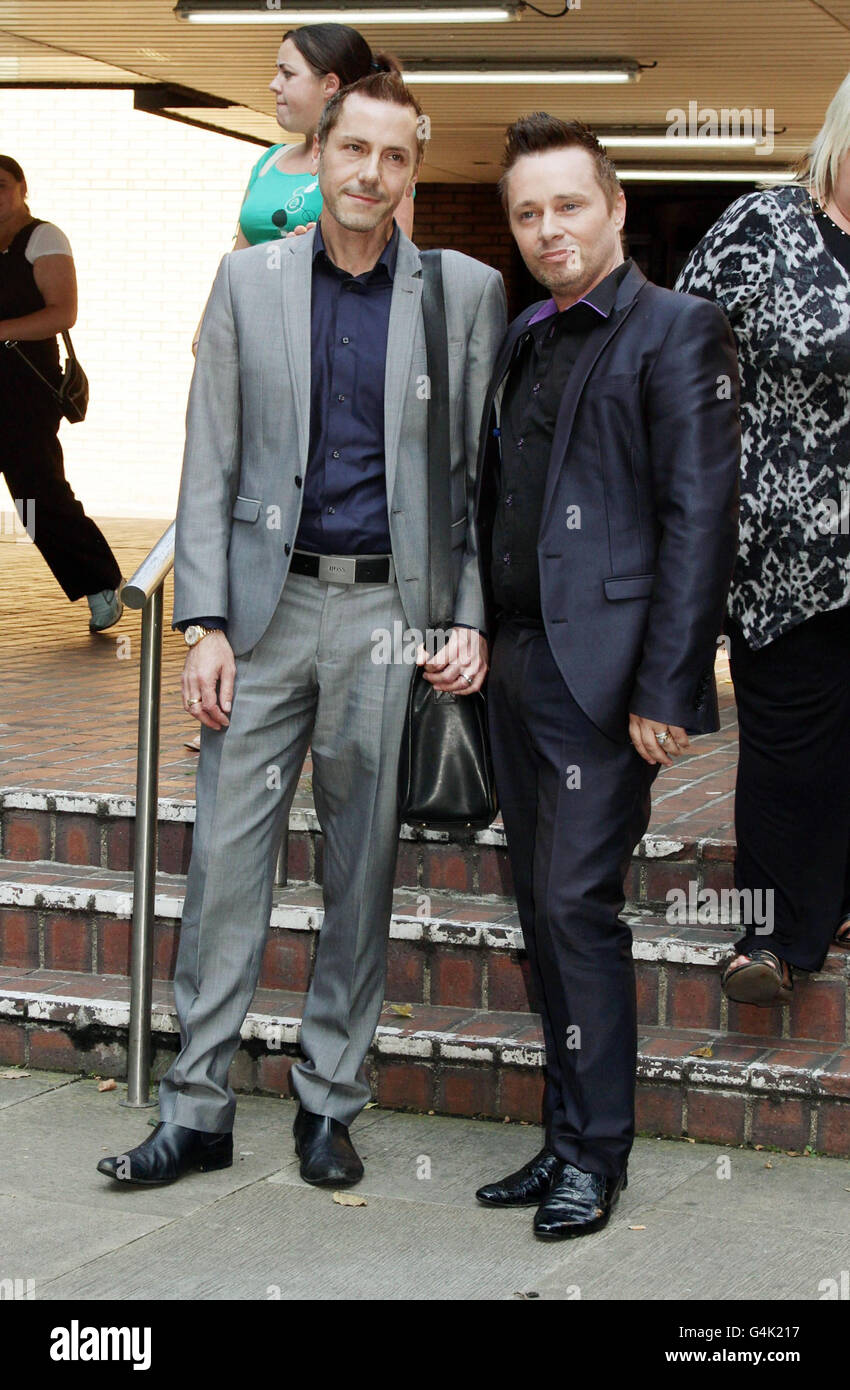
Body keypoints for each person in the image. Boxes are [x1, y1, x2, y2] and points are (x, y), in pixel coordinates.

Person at [97, 73, 506, 1189]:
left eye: (395, 157)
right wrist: (205, 624)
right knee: (228, 860)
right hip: (266, 619)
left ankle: (329, 1101)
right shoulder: (246, 281)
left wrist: (462, 617)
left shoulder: (460, 294)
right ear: (316, 154)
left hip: (389, 614)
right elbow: (211, 460)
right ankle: (199, 1105)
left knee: (358, 869)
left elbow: (476, 478)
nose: (371, 174)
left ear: (412, 169)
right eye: (353, 149)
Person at [472, 114, 740, 1239]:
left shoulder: (678, 329)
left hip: (602, 681)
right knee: (537, 904)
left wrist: (665, 690)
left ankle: (599, 1155)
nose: (547, 230)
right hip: (513, 665)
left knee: (577, 907)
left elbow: (699, 517)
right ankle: (563, 1132)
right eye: (528, 213)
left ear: (615, 208)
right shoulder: (527, 330)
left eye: (567, 205)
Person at [676, 75, 850, 1007]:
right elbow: (682, 347)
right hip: (787, 547)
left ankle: (831, 900)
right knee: (788, 740)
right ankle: (770, 939)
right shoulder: (765, 226)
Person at [190, 23, 413, 355]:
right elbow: (236, 258)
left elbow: (393, 266)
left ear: (329, 84)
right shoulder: (269, 160)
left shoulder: (369, 174)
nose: (273, 84)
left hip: (317, 344)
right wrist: (205, 332)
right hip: (247, 336)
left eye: (287, 74)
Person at [0, 156, 123, 631]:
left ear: (22, 186)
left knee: (37, 493)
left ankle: (98, 584)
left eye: (2, 185)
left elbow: (62, 313)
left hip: (24, 389)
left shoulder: (43, 238)